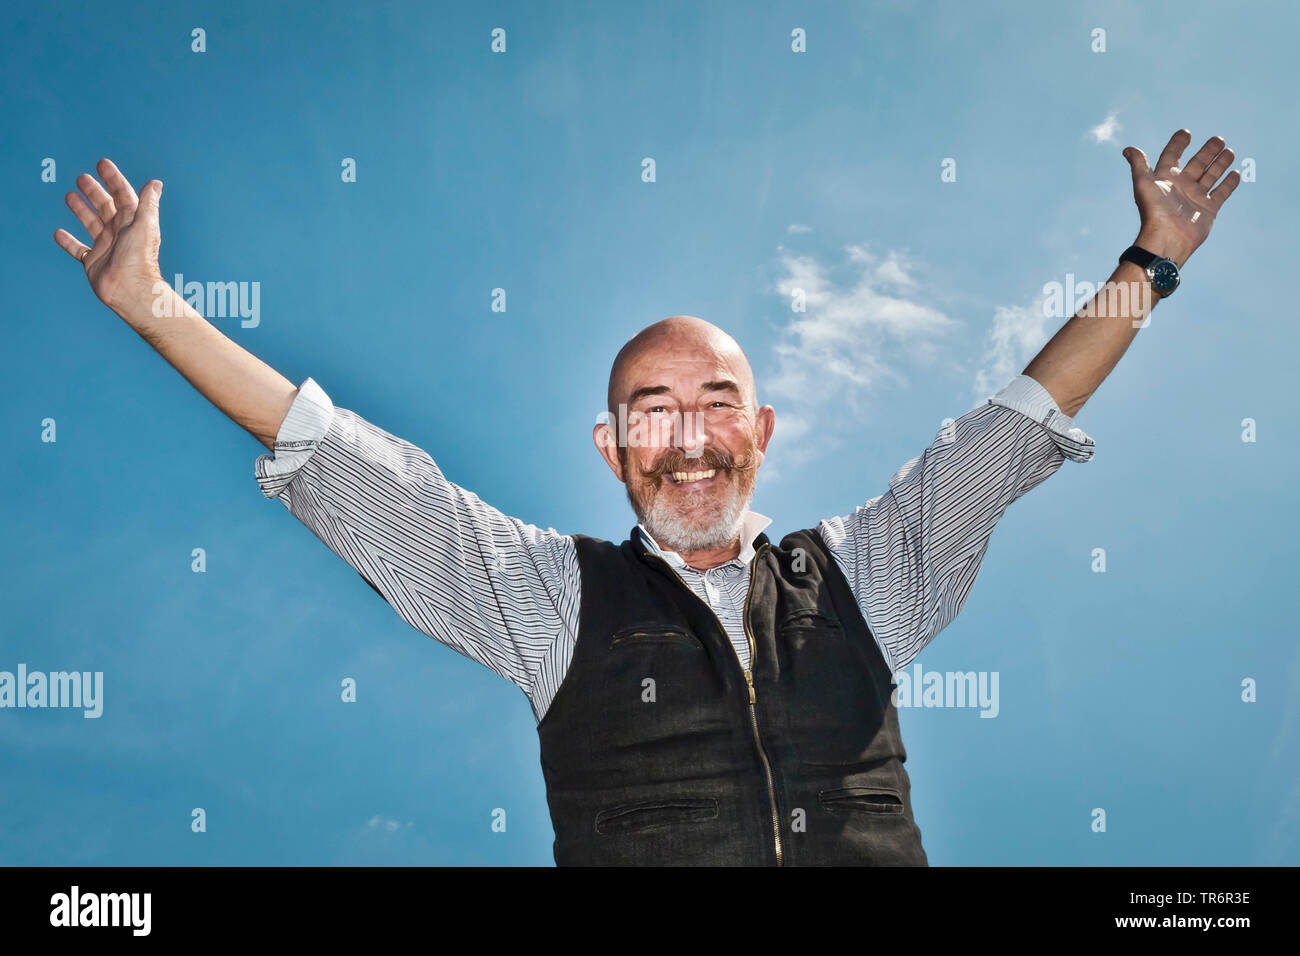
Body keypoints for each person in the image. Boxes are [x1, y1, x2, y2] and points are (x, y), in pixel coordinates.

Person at [52, 130, 1240, 865]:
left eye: (716, 401)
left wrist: (1151, 266)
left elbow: (1017, 421)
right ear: (611, 449)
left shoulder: (868, 573)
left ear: (761, 433)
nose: (687, 439)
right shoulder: (546, 595)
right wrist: (154, 305)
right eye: (650, 411)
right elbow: (343, 455)